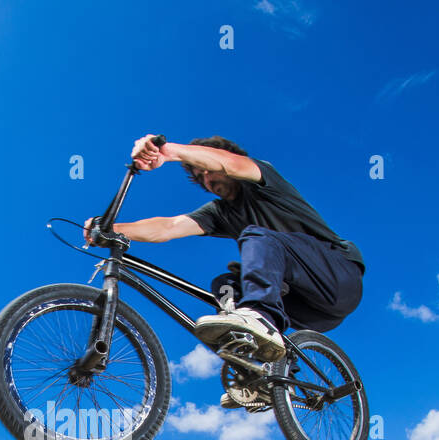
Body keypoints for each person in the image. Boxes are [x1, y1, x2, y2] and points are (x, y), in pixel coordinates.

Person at [85, 134, 365, 409]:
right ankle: (265, 375)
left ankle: (260, 316)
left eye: (207, 170)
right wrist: (112, 228)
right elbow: (168, 227)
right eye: (200, 177)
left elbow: (230, 164)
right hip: (306, 309)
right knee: (227, 284)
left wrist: (169, 151)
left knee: (258, 237)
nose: (208, 179)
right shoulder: (219, 213)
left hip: (339, 278)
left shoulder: (261, 178)